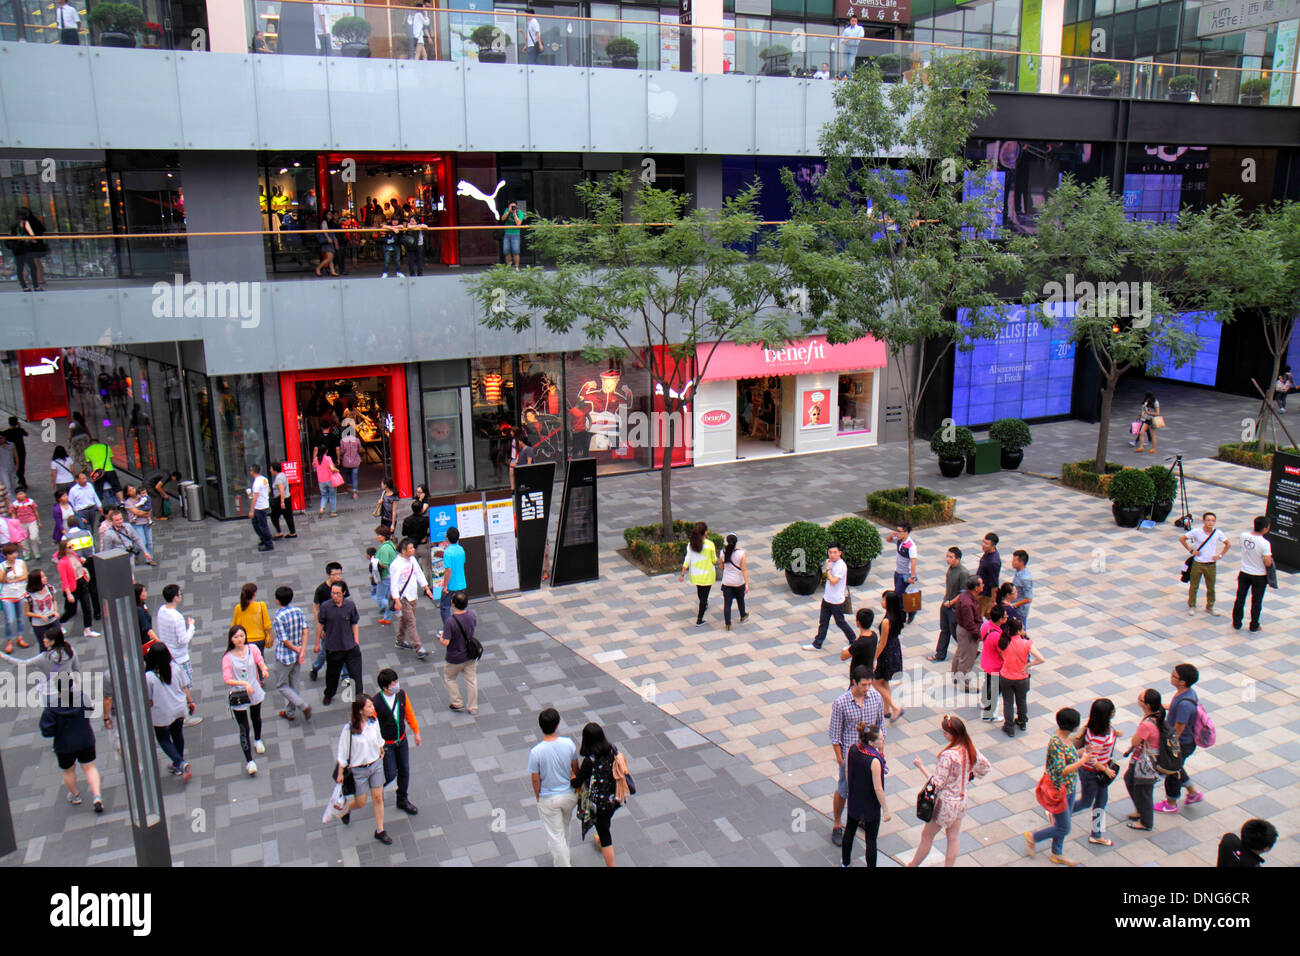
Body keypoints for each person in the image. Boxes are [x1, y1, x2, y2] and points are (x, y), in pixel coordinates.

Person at [907, 715, 990, 867]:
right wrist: (968, 776)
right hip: (961, 800)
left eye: (945, 732)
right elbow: (985, 766)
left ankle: (913, 865)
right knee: (953, 837)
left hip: (945, 803)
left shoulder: (948, 756)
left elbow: (937, 783)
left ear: (952, 735)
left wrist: (921, 767)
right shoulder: (969, 749)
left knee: (927, 836)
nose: (943, 735)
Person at [828, 666, 885, 847]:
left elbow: (880, 726)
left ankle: (860, 818)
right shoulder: (841, 703)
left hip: (871, 756)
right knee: (844, 789)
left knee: (866, 790)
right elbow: (835, 736)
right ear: (854, 682)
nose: (867, 688)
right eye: (863, 685)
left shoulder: (876, 698)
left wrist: (881, 754)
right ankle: (837, 823)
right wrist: (841, 761)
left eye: (869, 684)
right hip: (850, 757)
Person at [39, 661, 104, 814]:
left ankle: (75, 795)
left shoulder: (52, 708)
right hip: (85, 739)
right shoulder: (82, 697)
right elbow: (90, 712)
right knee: (89, 767)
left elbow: (46, 731)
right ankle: (97, 796)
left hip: (64, 745)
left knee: (68, 770)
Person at [1025, 707, 1088, 866]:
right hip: (1059, 790)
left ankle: (1056, 853)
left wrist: (1082, 752)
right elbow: (1062, 770)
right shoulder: (1057, 743)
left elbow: (1069, 757)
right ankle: (1034, 837)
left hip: (1069, 787)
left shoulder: (1065, 739)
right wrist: (1082, 761)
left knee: (1062, 824)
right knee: (1064, 828)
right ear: (1072, 725)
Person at [334, 695, 394, 845]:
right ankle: (345, 810)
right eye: (369, 706)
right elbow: (342, 752)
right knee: (360, 802)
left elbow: (379, 739)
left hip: (375, 765)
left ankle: (380, 830)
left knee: (378, 797)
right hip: (358, 770)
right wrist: (341, 772)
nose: (373, 708)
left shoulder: (374, 722)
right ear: (360, 711)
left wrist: (381, 749)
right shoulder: (349, 730)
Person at [573, 722, 629, 867]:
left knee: (606, 839)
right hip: (615, 798)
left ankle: (610, 864)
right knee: (604, 825)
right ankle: (599, 837)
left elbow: (577, 783)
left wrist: (572, 775)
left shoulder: (589, 761)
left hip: (599, 805)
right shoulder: (612, 750)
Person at [530, 707, 580, 866]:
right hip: (569, 796)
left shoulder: (536, 752)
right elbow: (575, 768)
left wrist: (538, 796)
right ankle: (564, 856)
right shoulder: (569, 744)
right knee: (565, 826)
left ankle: (563, 863)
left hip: (549, 798)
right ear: (557, 725)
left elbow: (535, 779)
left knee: (555, 835)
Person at [1155, 662, 1205, 813]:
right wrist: (1165, 707)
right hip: (1183, 742)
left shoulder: (1184, 704)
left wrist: (1170, 746)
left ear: (1182, 682)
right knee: (1177, 767)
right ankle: (1193, 793)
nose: (1171, 676)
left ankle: (1171, 804)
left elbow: (1179, 728)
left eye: (1174, 675)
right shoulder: (1187, 693)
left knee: (1172, 771)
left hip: (1182, 743)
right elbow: (1176, 706)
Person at [1072, 697, 1120, 846]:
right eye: (1112, 711)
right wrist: (1106, 770)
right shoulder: (1098, 736)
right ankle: (1059, 811)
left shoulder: (1101, 727)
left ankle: (1096, 834)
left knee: (1101, 801)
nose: (1114, 713)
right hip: (1092, 773)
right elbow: (1092, 759)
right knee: (1086, 802)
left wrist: (1115, 734)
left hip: (1097, 772)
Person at [222, 624, 269, 775]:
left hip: (253, 689)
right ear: (231, 639)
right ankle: (249, 761)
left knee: (256, 717)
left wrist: (264, 669)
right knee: (243, 727)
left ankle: (258, 739)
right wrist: (244, 683)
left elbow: (259, 660)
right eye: (236, 637)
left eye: (241, 636)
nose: (239, 639)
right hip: (239, 693)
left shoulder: (252, 649)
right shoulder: (228, 658)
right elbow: (227, 679)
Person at [841, 722, 889, 867]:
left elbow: (848, 772)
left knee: (850, 830)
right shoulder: (874, 761)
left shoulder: (853, 749)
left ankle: (845, 863)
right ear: (871, 742)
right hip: (870, 805)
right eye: (880, 738)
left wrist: (852, 792)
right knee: (871, 840)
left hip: (855, 799)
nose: (883, 740)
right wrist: (885, 809)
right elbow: (878, 788)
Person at [375, 668, 421, 815]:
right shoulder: (375, 702)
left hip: (402, 740)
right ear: (385, 687)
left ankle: (402, 799)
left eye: (396, 680)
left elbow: (409, 713)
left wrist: (416, 731)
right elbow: (372, 726)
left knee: (405, 770)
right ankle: (375, 789)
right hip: (387, 745)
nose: (396, 684)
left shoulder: (401, 695)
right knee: (390, 774)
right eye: (393, 682)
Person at [144, 643, 191, 781]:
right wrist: (190, 701)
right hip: (179, 707)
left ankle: (180, 762)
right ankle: (178, 763)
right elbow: (184, 686)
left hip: (162, 712)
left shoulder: (149, 676)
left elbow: (149, 698)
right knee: (177, 734)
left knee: (163, 739)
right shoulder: (175, 668)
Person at [155, 583, 200, 725]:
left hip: (168, 654)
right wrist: (191, 626)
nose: (181, 596)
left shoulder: (161, 611)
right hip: (180, 657)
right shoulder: (177, 617)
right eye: (179, 594)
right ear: (175, 598)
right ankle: (185, 714)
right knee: (184, 685)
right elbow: (183, 640)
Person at [1122, 688, 1163, 832]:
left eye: (1141, 699)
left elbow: (1135, 741)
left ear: (1147, 705)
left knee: (1143, 790)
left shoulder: (1147, 724)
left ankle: (1146, 822)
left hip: (1147, 764)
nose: (1138, 700)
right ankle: (1140, 810)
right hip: (1148, 759)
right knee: (1129, 779)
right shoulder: (1159, 715)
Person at [803, 541, 856, 651]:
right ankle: (817, 643)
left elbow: (833, 581)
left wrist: (827, 569)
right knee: (823, 622)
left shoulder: (841, 566)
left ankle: (853, 640)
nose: (832, 555)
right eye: (830, 552)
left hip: (836, 601)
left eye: (835, 552)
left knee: (840, 622)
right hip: (827, 598)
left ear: (840, 553)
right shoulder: (830, 562)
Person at [388, 537, 434, 660]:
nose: (413, 550)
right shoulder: (396, 565)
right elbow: (393, 584)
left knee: (405, 620)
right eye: (410, 548)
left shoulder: (412, 560)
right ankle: (418, 647)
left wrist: (426, 588)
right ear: (403, 551)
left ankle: (400, 640)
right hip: (404, 598)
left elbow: (419, 573)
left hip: (413, 596)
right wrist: (397, 601)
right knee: (411, 622)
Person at [317, 582, 362, 707]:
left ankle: (358, 698)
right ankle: (329, 694)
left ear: (344, 593)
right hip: (333, 647)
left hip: (350, 647)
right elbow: (320, 623)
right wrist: (317, 642)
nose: (334, 596)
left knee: (356, 674)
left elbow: (354, 623)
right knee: (332, 674)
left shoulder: (350, 605)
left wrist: (356, 640)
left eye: (337, 593)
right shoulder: (326, 607)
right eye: (332, 593)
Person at [271, 585, 311, 723]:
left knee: (282, 685)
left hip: (285, 656)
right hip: (297, 655)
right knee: (294, 684)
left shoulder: (278, 616)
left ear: (277, 600)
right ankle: (290, 712)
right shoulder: (298, 611)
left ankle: (302, 705)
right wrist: (302, 649)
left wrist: (296, 649)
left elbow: (284, 640)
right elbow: (305, 630)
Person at [997, 618, 1041, 736]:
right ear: (1019, 631)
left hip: (1006, 676)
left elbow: (1001, 655)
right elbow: (1041, 659)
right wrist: (1028, 665)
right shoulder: (1027, 643)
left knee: (1008, 702)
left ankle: (1009, 727)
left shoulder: (1003, 642)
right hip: (1022, 677)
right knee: (1021, 701)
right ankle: (1022, 721)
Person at [1180, 511, 1229, 616]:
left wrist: (1220, 555)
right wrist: (1191, 550)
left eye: (1212, 521)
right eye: (1208, 520)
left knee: (1211, 586)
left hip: (1211, 564)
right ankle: (1192, 605)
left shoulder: (1217, 533)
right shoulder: (1197, 531)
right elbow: (1182, 538)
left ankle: (1210, 606)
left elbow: (1227, 543)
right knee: (1194, 586)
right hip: (1198, 563)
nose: (1210, 523)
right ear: (1203, 521)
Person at [1231, 515, 1273, 632]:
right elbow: (1268, 562)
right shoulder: (1265, 543)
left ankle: (1236, 622)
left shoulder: (1243, 536)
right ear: (1265, 528)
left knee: (1240, 598)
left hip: (1244, 572)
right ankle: (1254, 625)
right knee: (1256, 601)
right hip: (1259, 576)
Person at [310, 562, 350, 682]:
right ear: (328, 575)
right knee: (325, 653)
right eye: (335, 574)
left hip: (341, 627)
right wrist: (319, 627)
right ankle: (316, 667)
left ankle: (346, 676)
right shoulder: (321, 590)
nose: (338, 577)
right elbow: (316, 607)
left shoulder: (343, 586)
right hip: (327, 628)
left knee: (343, 652)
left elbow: (346, 604)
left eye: (339, 574)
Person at [440, 591, 478, 714]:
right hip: (470, 655)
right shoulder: (472, 615)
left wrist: (441, 637)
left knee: (450, 678)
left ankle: (457, 702)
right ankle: (472, 707)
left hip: (454, 657)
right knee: (471, 680)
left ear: (452, 604)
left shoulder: (450, 621)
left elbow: (446, 642)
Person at [928, 546, 967, 663]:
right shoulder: (950, 569)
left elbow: (963, 593)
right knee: (944, 630)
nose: (948, 559)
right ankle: (940, 654)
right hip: (946, 604)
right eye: (947, 556)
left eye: (951, 557)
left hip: (954, 608)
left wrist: (951, 603)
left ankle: (970, 651)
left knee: (956, 633)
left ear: (958, 559)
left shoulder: (963, 573)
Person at [55, 538, 97, 639]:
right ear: (64, 549)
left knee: (87, 607)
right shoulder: (62, 562)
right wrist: (69, 593)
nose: (72, 548)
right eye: (70, 547)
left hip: (81, 582)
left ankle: (87, 629)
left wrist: (82, 564)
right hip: (72, 587)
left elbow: (78, 568)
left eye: (72, 546)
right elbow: (64, 579)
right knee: (71, 611)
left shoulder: (74, 555)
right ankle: (59, 623)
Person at [679, 521, 717, 628]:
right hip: (708, 574)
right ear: (705, 532)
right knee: (705, 595)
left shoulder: (691, 544)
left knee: (700, 592)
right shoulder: (710, 545)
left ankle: (703, 605)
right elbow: (714, 560)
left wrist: (682, 574)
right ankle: (700, 618)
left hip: (695, 574)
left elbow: (687, 559)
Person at [875, 591, 905, 722]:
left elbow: (882, 642)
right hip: (894, 649)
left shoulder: (887, 621)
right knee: (884, 680)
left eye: (884, 600)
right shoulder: (896, 616)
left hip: (887, 652)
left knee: (876, 682)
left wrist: (874, 657)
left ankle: (894, 707)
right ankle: (886, 709)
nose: (882, 602)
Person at [951, 575, 983, 686]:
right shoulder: (967, 603)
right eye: (981, 584)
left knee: (960, 653)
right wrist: (978, 635)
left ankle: (955, 676)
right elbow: (970, 623)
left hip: (963, 629)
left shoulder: (965, 596)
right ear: (976, 588)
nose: (983, 586)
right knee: (967, 658)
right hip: (967, 632)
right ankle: (965, 684)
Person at [885, 522, 917, 621]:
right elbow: (888, 540)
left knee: (897, 595)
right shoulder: (899, 540)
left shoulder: (911, 546)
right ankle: (910, 610)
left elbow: (913, 562)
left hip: (905, 575)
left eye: (899, 531)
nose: (897, 533)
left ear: (906, 532)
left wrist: (912, 577)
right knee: (900, 595)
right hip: (897, 572)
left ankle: (899, 616)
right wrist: (891, 535)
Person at [978, 605, 1005, 722]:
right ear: (1000, 619)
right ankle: (989, 714)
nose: (1007, 617)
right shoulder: (997, 636)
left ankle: (984, 702)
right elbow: (1002, 653)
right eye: (1005, 617)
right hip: (995, 666)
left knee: (987, 683)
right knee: (995, 690)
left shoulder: (986, 625)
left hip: (986, 661)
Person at [1, 543, 29, 654]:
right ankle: (9, 641)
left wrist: (13, 580)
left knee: (21, 618)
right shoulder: (2, 566)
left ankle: (20, 637)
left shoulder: (21, 563)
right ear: (6, 555)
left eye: (15, 552)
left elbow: (25, 576)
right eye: (11, 554)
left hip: (20, 593)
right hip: (7, 595)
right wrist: (6, 573)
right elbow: (2, 580)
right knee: (9, 620)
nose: (14, 555)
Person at [231, 582, 273, 651]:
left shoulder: (239, 608)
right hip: (260, 639)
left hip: (245, 640)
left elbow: (234, 626)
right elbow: (267, 624)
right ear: (254, 594)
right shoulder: (261, 605)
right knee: (259, 659)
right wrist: (271, 636)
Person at [23, 569, 60, 647]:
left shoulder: (49, 588)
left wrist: (55, 610)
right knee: (44, 646)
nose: (45, 578)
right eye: (42, 577)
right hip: (39, 624)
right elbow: (26, 612)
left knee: (58, 642)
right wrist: (40, 616)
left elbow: (54, 601)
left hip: (52, 620)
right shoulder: (29, 596)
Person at [439, 526, 467, 627]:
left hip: (451, 586)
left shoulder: (447, 552)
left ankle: (449, 629)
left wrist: (445, 586)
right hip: (461, 583)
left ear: (447, 538)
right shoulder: (461, 549)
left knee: (445, 607)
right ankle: (462, 627)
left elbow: (448, 570)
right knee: (460, 607)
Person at [841, 608, 877, 687]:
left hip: (858, 676)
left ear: (858, 623)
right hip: (869, 671)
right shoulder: (874, 635)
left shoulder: (860, 643)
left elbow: (843, 656)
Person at [83, 438, 120, 507]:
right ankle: (122, 502)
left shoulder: (87, 450)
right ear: (98, 442)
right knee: (117, 487)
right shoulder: (106, 447)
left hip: (98, 472)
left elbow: (89, 462)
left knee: (98, 489)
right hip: (109, 470)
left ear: (90, 444)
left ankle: (100, 505)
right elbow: (111, 458)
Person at [120, 485, 152, 559]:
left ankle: (149, 559)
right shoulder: (128, 502)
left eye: (133, 488)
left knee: (149, 542)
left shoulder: (142, 496)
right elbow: (137, 512)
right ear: (127, 493)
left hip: (146, 522)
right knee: (142, 542)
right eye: (130, 490)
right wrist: (146, 513)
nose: (133, 490)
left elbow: (149, 507)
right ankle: (135, 553)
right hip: (136, 524)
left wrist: (147, 512)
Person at [247, 464, 274, 551]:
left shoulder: (257, 483)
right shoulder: (264, 479)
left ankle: (268, 543)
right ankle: (263, 539)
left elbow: (255, 498)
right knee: (255, 522)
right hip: (264, 504)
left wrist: (251, 510)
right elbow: (268, 490)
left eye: (250, 470)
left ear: (253, 472)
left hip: (260, 507)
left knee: (263, 525)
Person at [268, 461, 296, 538]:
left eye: (271, 468)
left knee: (274, 516)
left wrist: (282, 502)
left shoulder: (279, 478)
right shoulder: (283, 475)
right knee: (288, 516)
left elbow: (281, 490)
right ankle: (292, 532)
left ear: (274, 470)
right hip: (287, 498)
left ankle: (279, 532)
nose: (270, 470)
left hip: (280, 499)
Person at [976, 533, 1000, 618]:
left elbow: (994, 583)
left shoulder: (993, 562)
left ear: (993, 545)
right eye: (983, 542)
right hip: (979, 589)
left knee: (978, 615)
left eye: (986, 544)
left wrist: (993, 601)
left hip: (985, 594)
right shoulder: (987, 553)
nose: (983, 545)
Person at [314, 447, 342, 518]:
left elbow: (314, 466)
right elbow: (332, 468)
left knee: (324, 496)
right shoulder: (328, 458)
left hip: (321, 481)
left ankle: (321, 508)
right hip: (329, 480)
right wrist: (337, 470)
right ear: (326, 451)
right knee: (332, 496)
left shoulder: (316, 459)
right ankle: (333, 512)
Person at [1008, 549, 1033, 626]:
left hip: (1020, 611)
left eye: (1014, 560)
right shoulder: (1019, 572)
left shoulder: (1025, 578)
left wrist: (1014, 605)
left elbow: (1028, 598)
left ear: (1021, 562)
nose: (1012, 562)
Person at [339, 420, 362, 499]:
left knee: (348, 473)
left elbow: (341, 451)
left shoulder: (342, 441)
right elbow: (360, 450)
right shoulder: (357, 440)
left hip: (346, 461)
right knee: (354, 476)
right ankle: (355, 493)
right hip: (355, 461)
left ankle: (349, 486)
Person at [2, 417, 27, 490]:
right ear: (17, 423)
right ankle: (22, 481)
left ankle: (20, 481)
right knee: (21, 465)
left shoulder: (6, 432)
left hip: (12, 452)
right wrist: (19, 427)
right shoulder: (20, 430)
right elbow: (26, 434)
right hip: (21, 451)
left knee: (15, 465)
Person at [500, 200, 524, 268]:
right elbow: (502, 219)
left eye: (514, 206)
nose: (513, 208)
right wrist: (508, 212)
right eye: (511, 206)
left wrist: (514, 213)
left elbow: (518, 223)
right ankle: (508, 267)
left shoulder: (519, 212)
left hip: (515, 234)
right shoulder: (507, 210)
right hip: (507, 233)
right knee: (506, 251)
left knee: (516, 251)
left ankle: (516, 267)